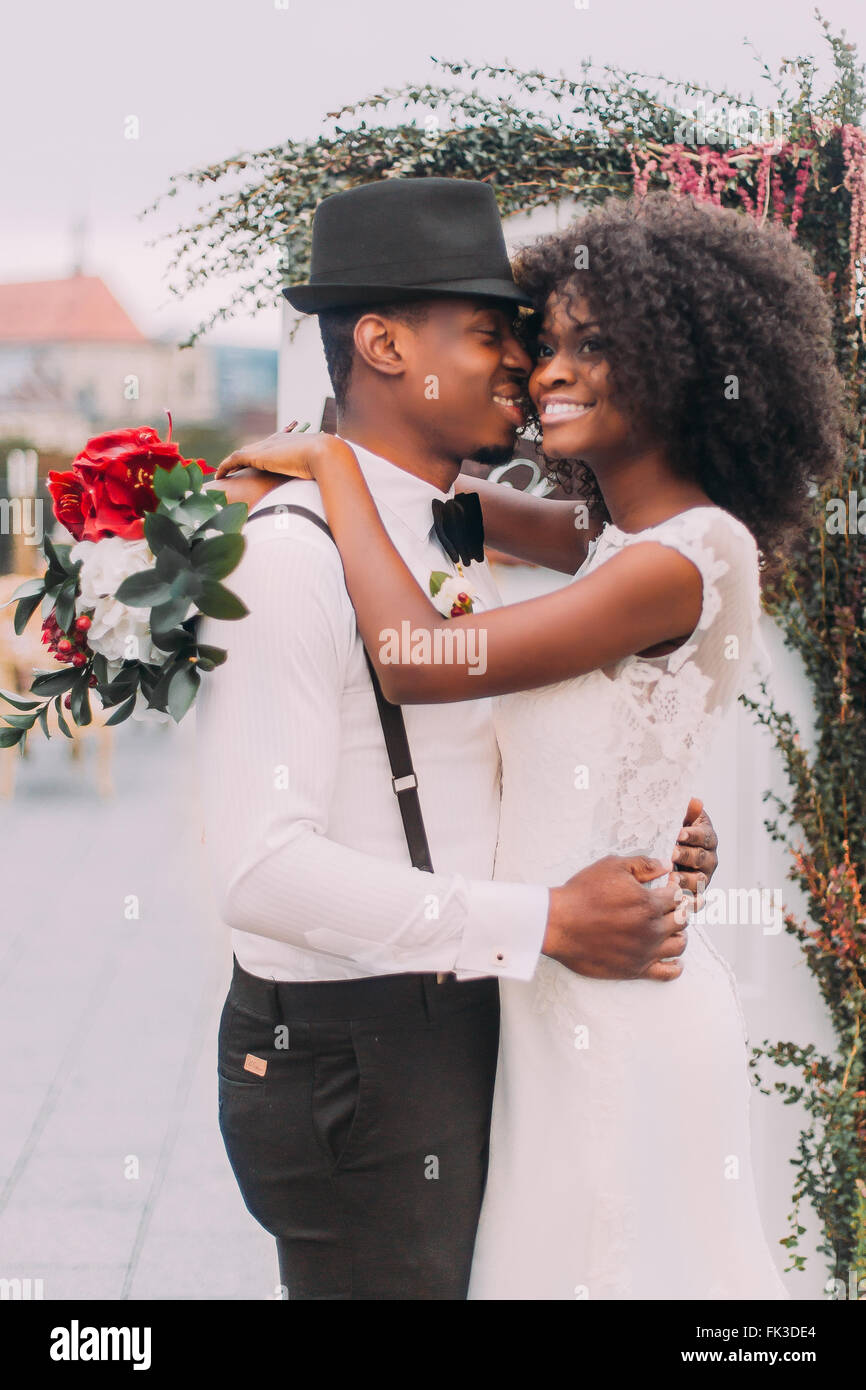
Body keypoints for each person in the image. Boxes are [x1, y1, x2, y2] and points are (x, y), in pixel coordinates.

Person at [219, 189, 846, 1298]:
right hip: (529, 1000)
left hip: (607, 998)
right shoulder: (594, 541)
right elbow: (440, 506)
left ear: (680, 360)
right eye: (530, 340)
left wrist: (325, 459)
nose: (538, 368)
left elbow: (416, 655)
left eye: (585, 345)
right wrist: (300, 479)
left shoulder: (686, 555)